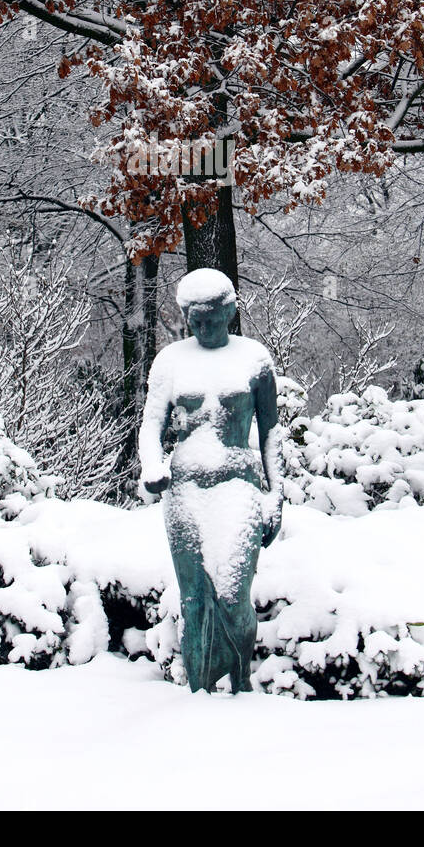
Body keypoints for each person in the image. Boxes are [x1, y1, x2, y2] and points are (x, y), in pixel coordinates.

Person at [137, 268, 284, 693]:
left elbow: (271, 431)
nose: (203, 328)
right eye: (195, 321)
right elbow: (150, 426)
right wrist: (152, 465)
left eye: (212, 320)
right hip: (184, 491)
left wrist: (276, 496)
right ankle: (199, 692)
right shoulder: (171, 362)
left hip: (238, 487)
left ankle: (239, 687)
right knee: (194, 599)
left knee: (234, 597)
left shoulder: (253, 360)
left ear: (230, 312)